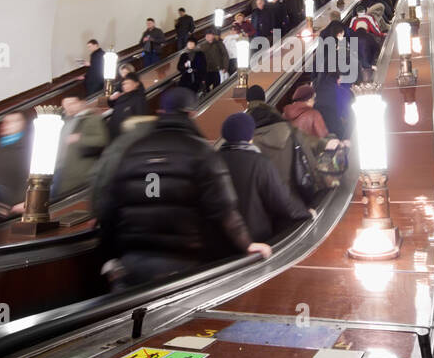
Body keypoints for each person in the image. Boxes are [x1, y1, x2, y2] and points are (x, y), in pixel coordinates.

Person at [92, 87, 271, 291]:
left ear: (160, 113)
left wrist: (108, 257)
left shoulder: (133, 150)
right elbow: (223, 208)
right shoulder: (201, 152)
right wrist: (247, 244)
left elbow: (108, 207)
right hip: (179, 265)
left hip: (131, 263)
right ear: (192, 113)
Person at [217, 112, 312, 243]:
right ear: (250, 136)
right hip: (254, 236)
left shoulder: (214, 161)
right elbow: (280, 198)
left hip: (220, 234)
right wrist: (304, 212)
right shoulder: (259, 163)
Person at [51, 96, 109, 199]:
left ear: (81, 103)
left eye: (72, 103)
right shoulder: (64, 122)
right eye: (66, 106)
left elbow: (101, 140)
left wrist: (79, 138)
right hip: (60, 170)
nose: (69, 108)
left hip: (79, 172)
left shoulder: (91, 118)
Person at [106, 72, 149, 139]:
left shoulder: (139, 99)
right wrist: (111, 99)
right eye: (123, 84)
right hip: (114, 134)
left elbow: (140, 120)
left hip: (126, 137)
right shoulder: (122, 96)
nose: (124, 86)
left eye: (128, 83)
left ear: (136, 84)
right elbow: (112, 105)